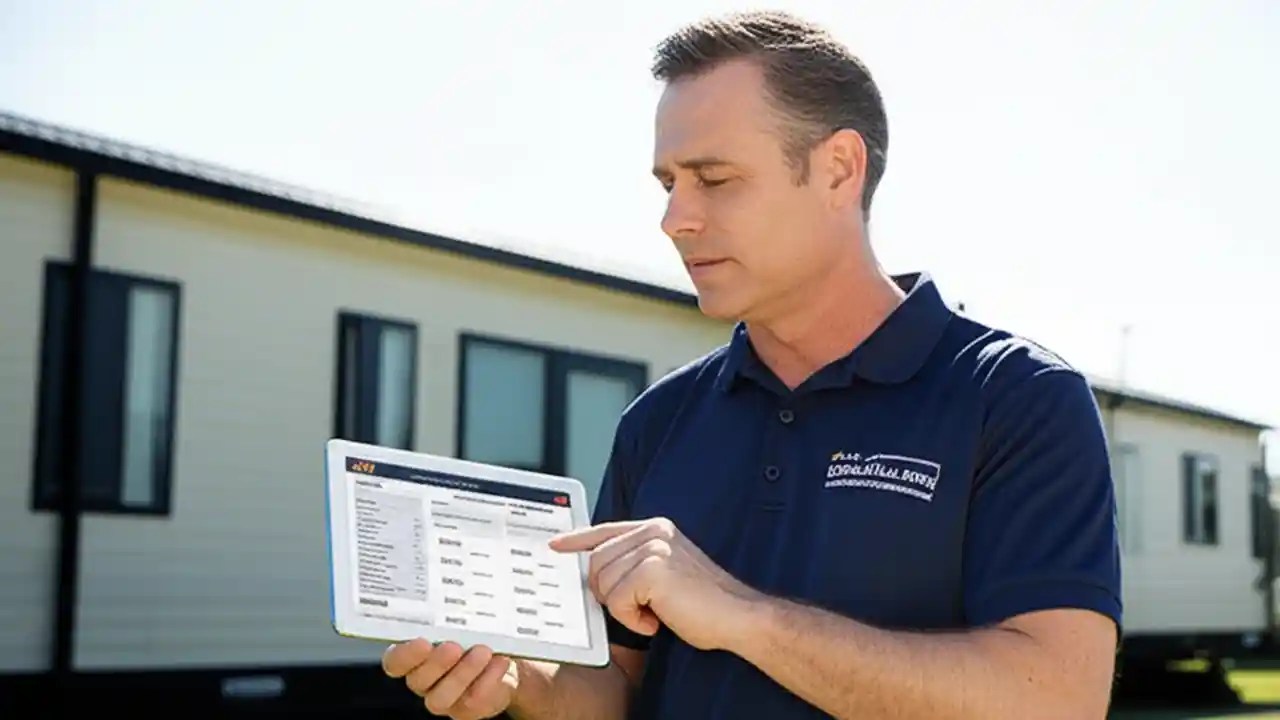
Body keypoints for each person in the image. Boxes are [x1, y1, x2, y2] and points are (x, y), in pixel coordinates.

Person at [382, 9, 1122, 719]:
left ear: (838, 170)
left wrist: (742, 616)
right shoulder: (659, 421)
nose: (675, 219)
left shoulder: (1018, 400)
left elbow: (1054, 702)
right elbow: (615, 689)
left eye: (715, 178)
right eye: (668, 183)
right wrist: (523, 686)